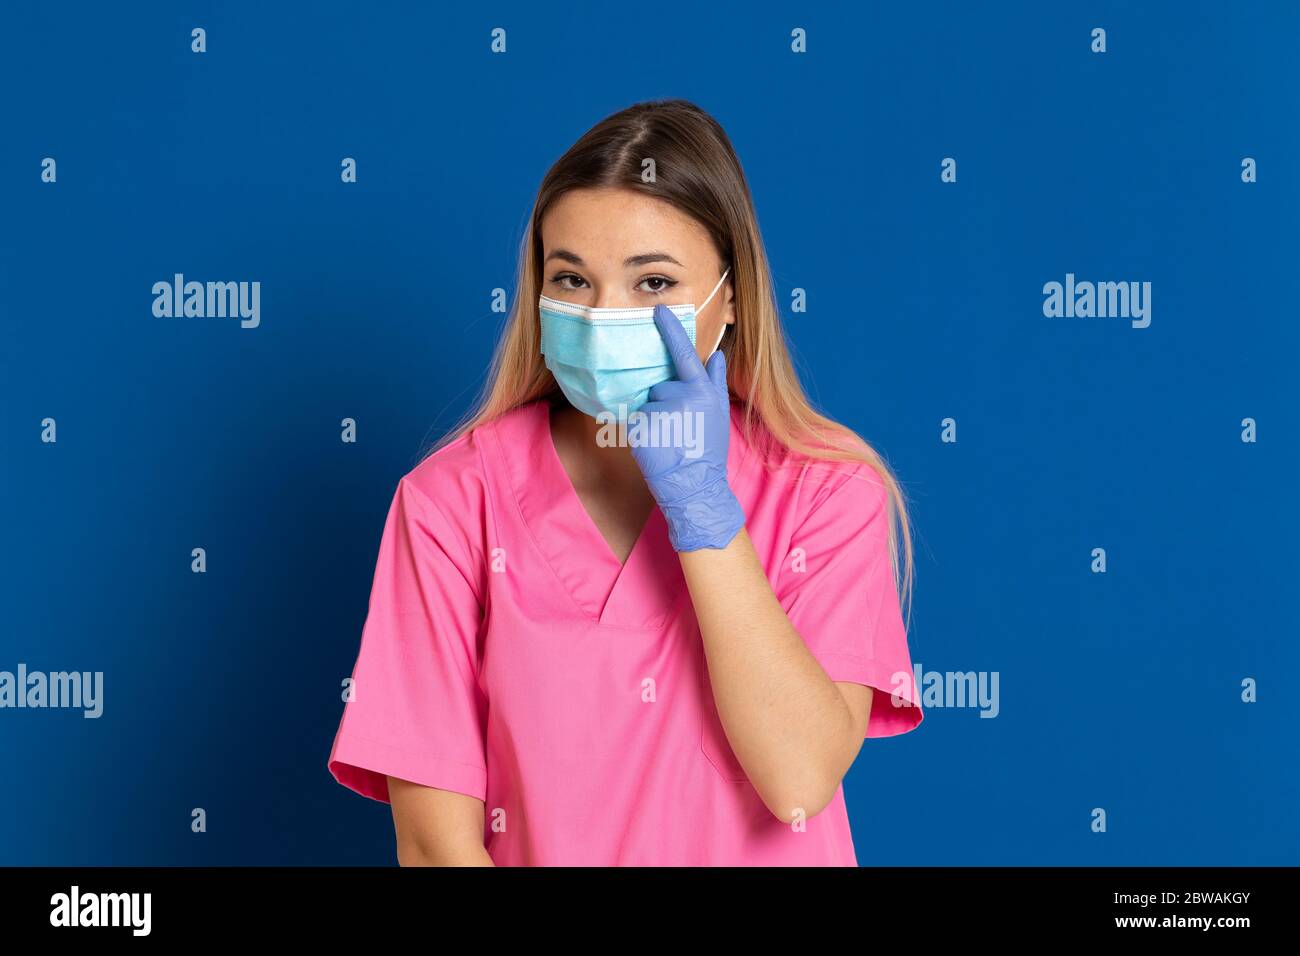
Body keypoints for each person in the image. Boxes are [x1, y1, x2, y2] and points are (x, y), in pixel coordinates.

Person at [327, 98, 924, 866]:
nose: (606, 314)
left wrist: (705, 515)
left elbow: (800, 781)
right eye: (572, 278)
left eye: (652, 283)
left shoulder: (825, 493)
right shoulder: (450, 503)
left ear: (731, 295)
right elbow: (436, 847)